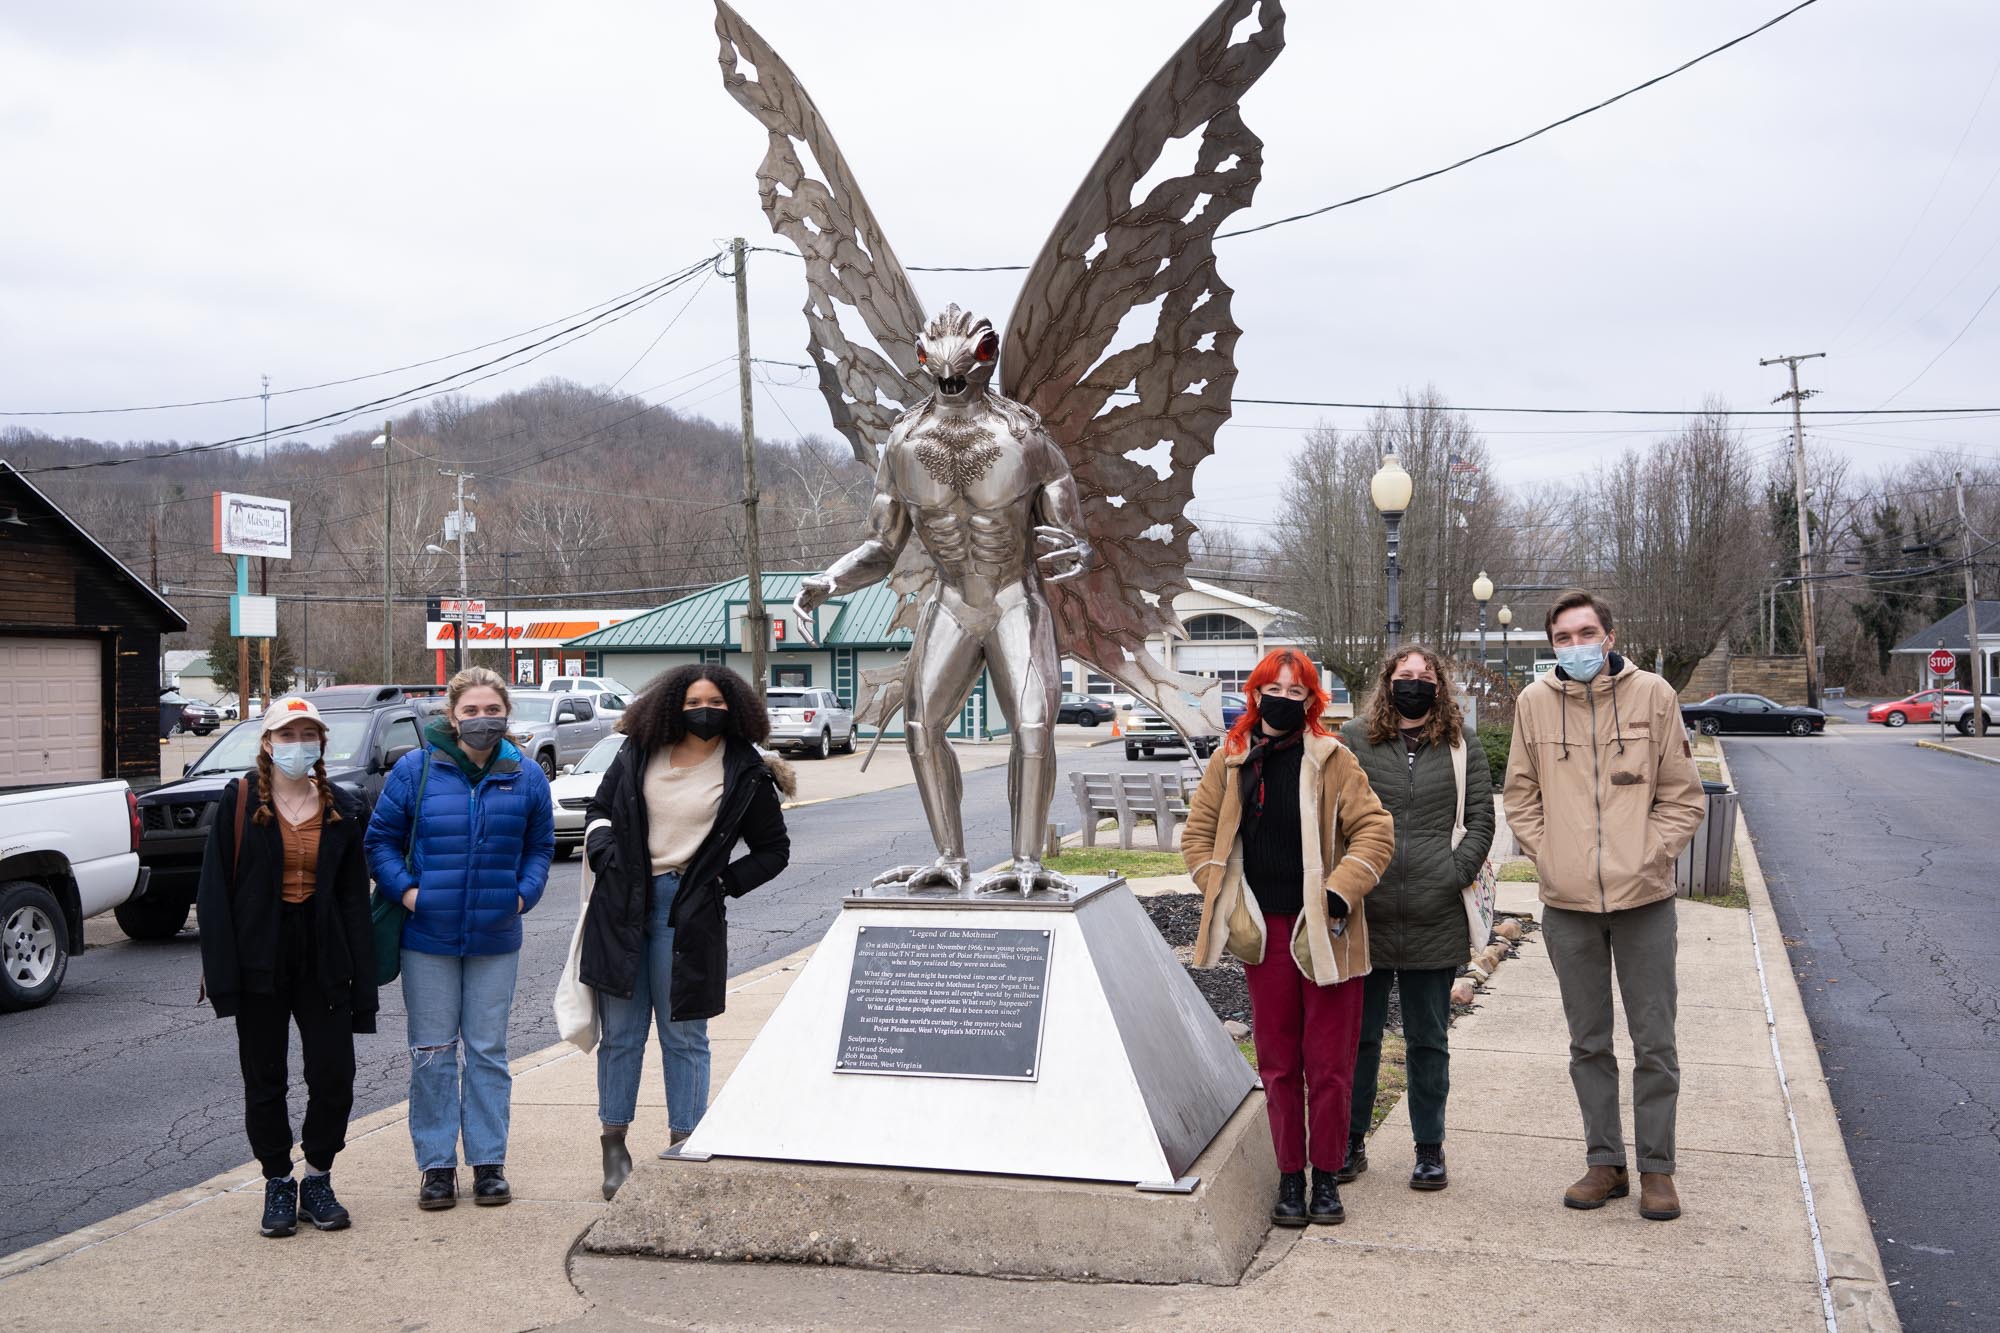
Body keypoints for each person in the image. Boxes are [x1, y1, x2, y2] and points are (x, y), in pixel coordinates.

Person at [1503, 590, 1704, 1222]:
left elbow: (1684, 796)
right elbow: (1520, 794)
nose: (1576, 645)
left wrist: (1651, 853)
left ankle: (1658, 1170)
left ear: (1610, 637)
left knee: (1655, 1042)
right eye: (1563, 638)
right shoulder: (1533, 703)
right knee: (1588, 1042)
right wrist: (1551, 855)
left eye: (1586, 633)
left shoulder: (1654, 697)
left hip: (1644, 898)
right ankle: (1605, 1162)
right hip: (1568, 905)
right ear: (1552, 645)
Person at [1182, 648, 1395, 1228]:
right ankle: (1289, 1178)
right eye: (1274, 688)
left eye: (1297, 693)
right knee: (1277, 1065)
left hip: (1326, 931)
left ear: (1311, 702)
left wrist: (1338, 891)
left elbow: (1375, 830)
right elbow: (1198, 835)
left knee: (1329, 1064)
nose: (1284, 699)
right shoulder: (1230, 762)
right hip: (1264, 934)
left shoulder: (1333, 759)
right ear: (1255, 693)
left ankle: (1327, 1177)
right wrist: (1221, 891)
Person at [579, 665, 793, 1199]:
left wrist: (722, 883)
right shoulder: (637, 753)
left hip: (689, 911)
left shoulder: (746, 770)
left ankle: (686, 1140)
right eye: (694, 700)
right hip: (623, 904)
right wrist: (604, 851)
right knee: (622, 1036)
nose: (704, 709)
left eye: (716, 702)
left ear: (736, 708)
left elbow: (774, 851)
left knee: (685, 1037)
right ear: (672, 705)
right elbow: (600, 811)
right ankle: (614, 1144)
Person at [365, 667, 554, 1212]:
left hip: (497, 936)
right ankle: (437, 1167)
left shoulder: (525, 776)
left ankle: (489, 1163)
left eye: (492, 710)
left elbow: (540, 847)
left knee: (489, 1052)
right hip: (428, 937)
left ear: (506, 714)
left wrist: (523, 894)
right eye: (470, 711)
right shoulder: (416, 770)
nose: (481, 720)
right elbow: (380, 841)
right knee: (431, 1053)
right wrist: (408, 895)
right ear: (452, 715)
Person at [196, 696, 377, 1238]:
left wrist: (362, 982)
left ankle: (317, 1176)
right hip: (260, 957)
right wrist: (223, 972)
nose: (298, 744)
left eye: (308, 735)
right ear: (268, 743)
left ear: (321, 744)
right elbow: (213, 894)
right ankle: (278, 1180)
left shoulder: (343, 809)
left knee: (333, 1075)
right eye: (288, 734)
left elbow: (352, 902)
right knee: (265, 1077)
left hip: (323, 957)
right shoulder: (240, 801)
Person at [1338, 646, 1493, 1192]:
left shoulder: (1460, 743)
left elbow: (1479, 819)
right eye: (1405, 675)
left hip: (1436, 916)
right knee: (1360, 1040)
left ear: (1439, 686)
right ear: (1388, 682)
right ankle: (1350, 1143)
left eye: (1425, 676)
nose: (1415, 682)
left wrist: (1451, 874)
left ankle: (1430, 1150)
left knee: (1429, 1041)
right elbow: (1335, 813)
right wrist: (1350, 881)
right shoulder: (1356, 739)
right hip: (1367, 915)